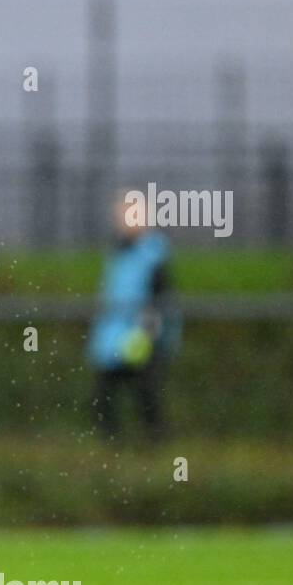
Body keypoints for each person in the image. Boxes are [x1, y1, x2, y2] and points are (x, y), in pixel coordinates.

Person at [88, 189, 182, 442]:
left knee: (146, 392)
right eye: (122, 215)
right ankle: (112, 446)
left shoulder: (154, 254)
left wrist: (147, 336)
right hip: (113, 338)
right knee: (103, 394)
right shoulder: (116, 253)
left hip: (143, 337)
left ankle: (154, 444)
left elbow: (160, 299)